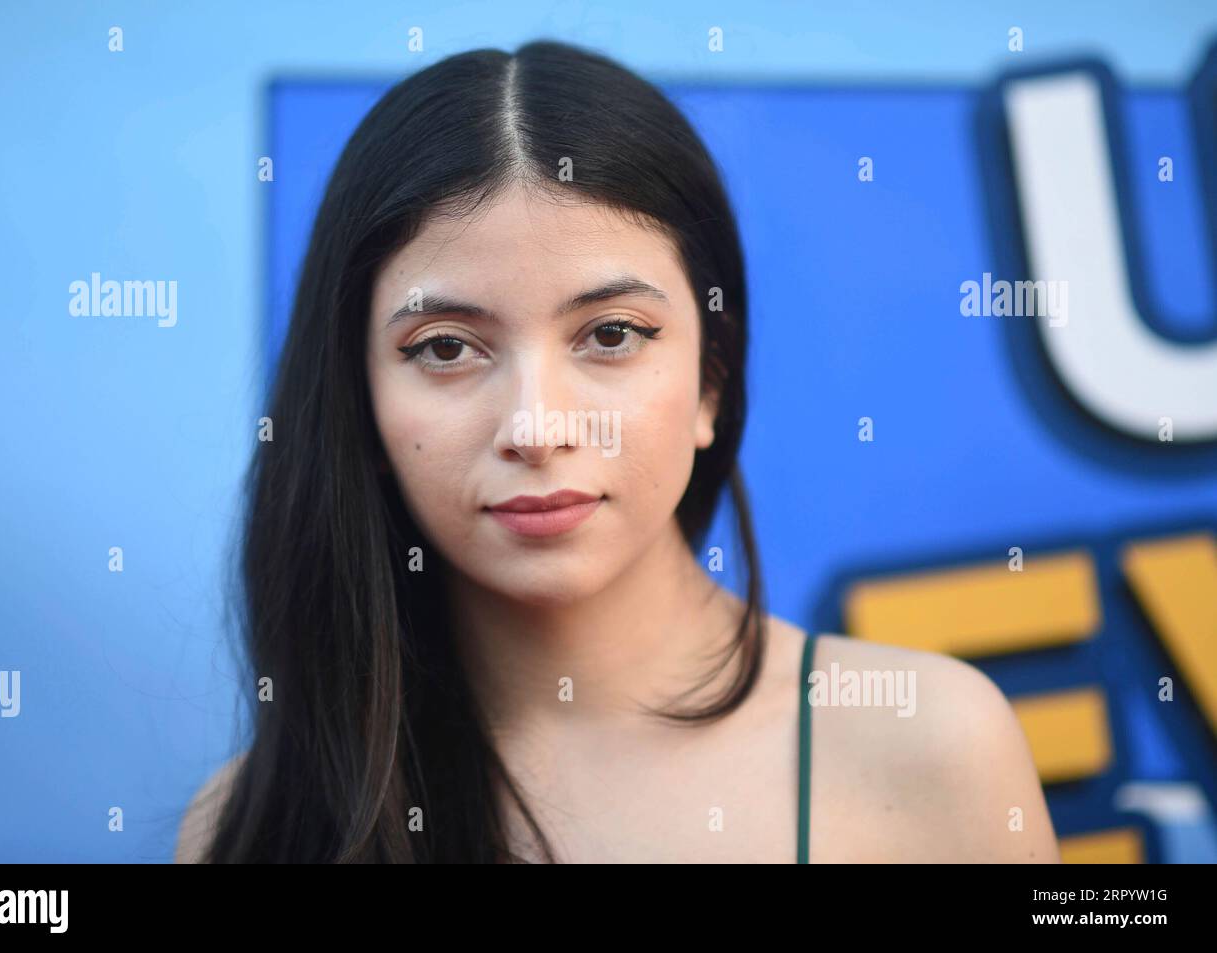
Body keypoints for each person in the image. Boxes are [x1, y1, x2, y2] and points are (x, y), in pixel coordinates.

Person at [176, 40, 1060, 863]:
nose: (536, 427)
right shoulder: (254, 820)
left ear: (712, 379)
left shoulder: (929, 742)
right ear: (357, 400)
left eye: (610, 334)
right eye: (446, 347)